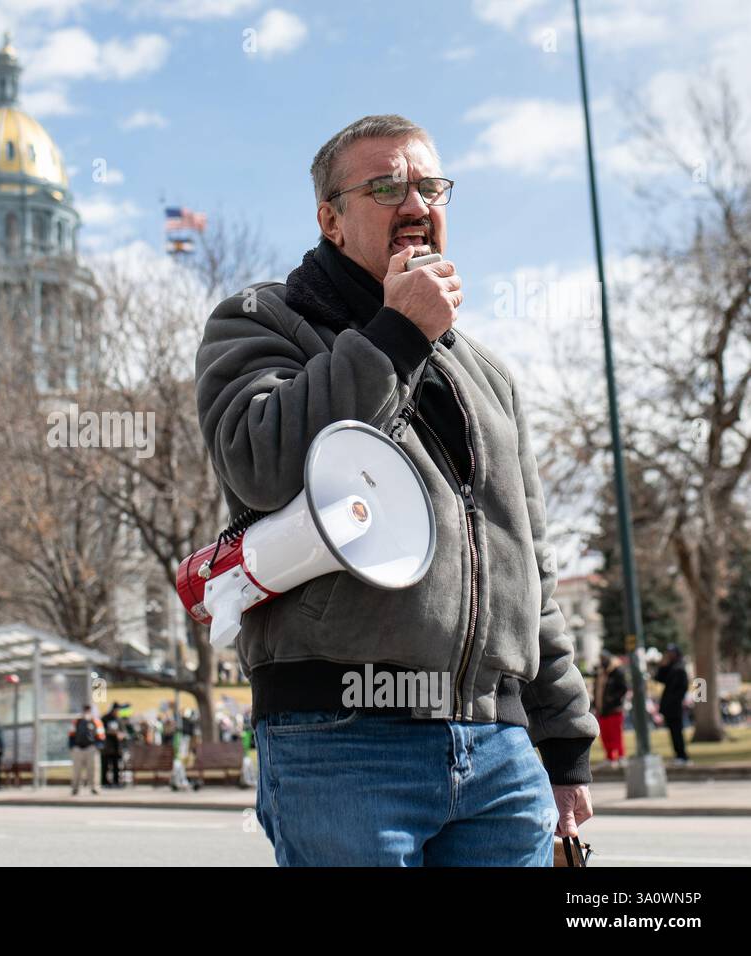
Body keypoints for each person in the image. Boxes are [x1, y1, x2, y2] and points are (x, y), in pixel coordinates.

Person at [195, 114, 597, 865]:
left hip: (499, 753)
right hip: (343, 741)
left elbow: (528, 568)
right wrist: (395, 335)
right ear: (332, 219)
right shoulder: (262, 321)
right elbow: (261, 462)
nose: (416, 205)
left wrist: (563, 742)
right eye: (385, 187)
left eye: (430, 187)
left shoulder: (490, 375)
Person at [654, 645, 690, 765]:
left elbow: (683, 687)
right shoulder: (670, 667)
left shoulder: (680, 668)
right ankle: (678, 755)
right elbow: (659, 678)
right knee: (673, 732)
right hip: (669, 706)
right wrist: (662, 665)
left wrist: (675, 700)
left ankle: (682, 756)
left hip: (675, 706)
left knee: (677, 731)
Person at [593, 651, 629, 768]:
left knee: (616, 735)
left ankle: (621, 756)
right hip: (602, 710)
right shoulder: (600, 673)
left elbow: (623, 689)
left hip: (614, 709)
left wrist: (611, 699)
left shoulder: (617, 672)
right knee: (605, 735)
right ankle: (610, 757)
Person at [69, 704, 104, 795]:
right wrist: (73, 746)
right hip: (79, 748)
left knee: (93, 770)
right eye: (85, 710)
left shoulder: (96, 721)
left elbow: (101, 736)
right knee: (76, 770)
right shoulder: (77, 721)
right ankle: (75, 788)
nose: (86, 712)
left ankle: (94, 787)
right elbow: (71, 734)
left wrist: (97, 746)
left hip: (91, 747)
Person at [100, 703, 125, 788]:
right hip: (107, 747)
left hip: (117, 746)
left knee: (116, 765)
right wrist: (112, 732)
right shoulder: (105, 718)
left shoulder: (119, 719)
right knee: (105, 765)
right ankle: (104, 782)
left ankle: (116, 781)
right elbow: (102, 731)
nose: (117, 712)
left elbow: (123, 731)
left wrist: (121, 735)